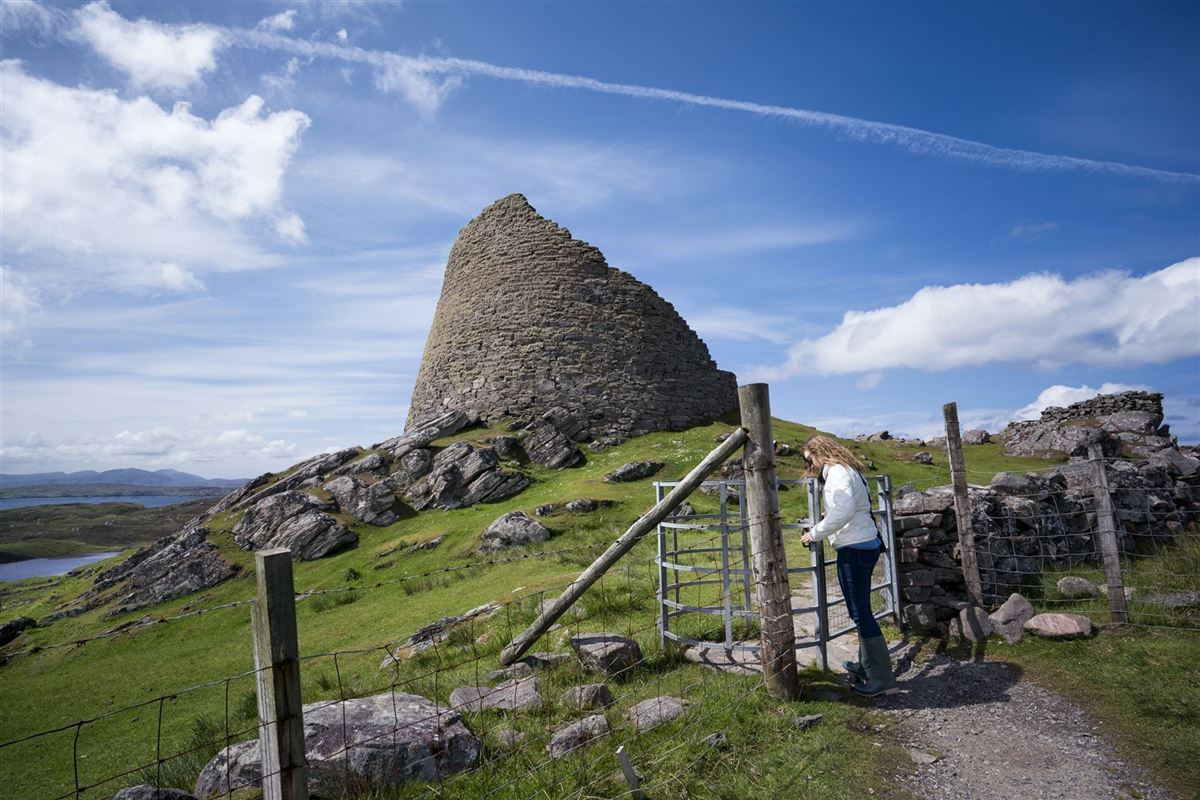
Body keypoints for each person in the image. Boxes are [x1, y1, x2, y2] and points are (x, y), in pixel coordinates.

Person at [799, 435, 898, 697]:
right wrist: (829, 515)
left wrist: (816, 532)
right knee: (861, 609)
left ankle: (882, 678)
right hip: (866, 542)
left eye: (811, 459)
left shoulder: (837, 473)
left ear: (819, 452)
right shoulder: (849, 469)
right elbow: (851, 506)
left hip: (854, 547)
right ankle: (866, 666)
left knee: (859, 612)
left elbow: (843, 512)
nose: (812, 465)